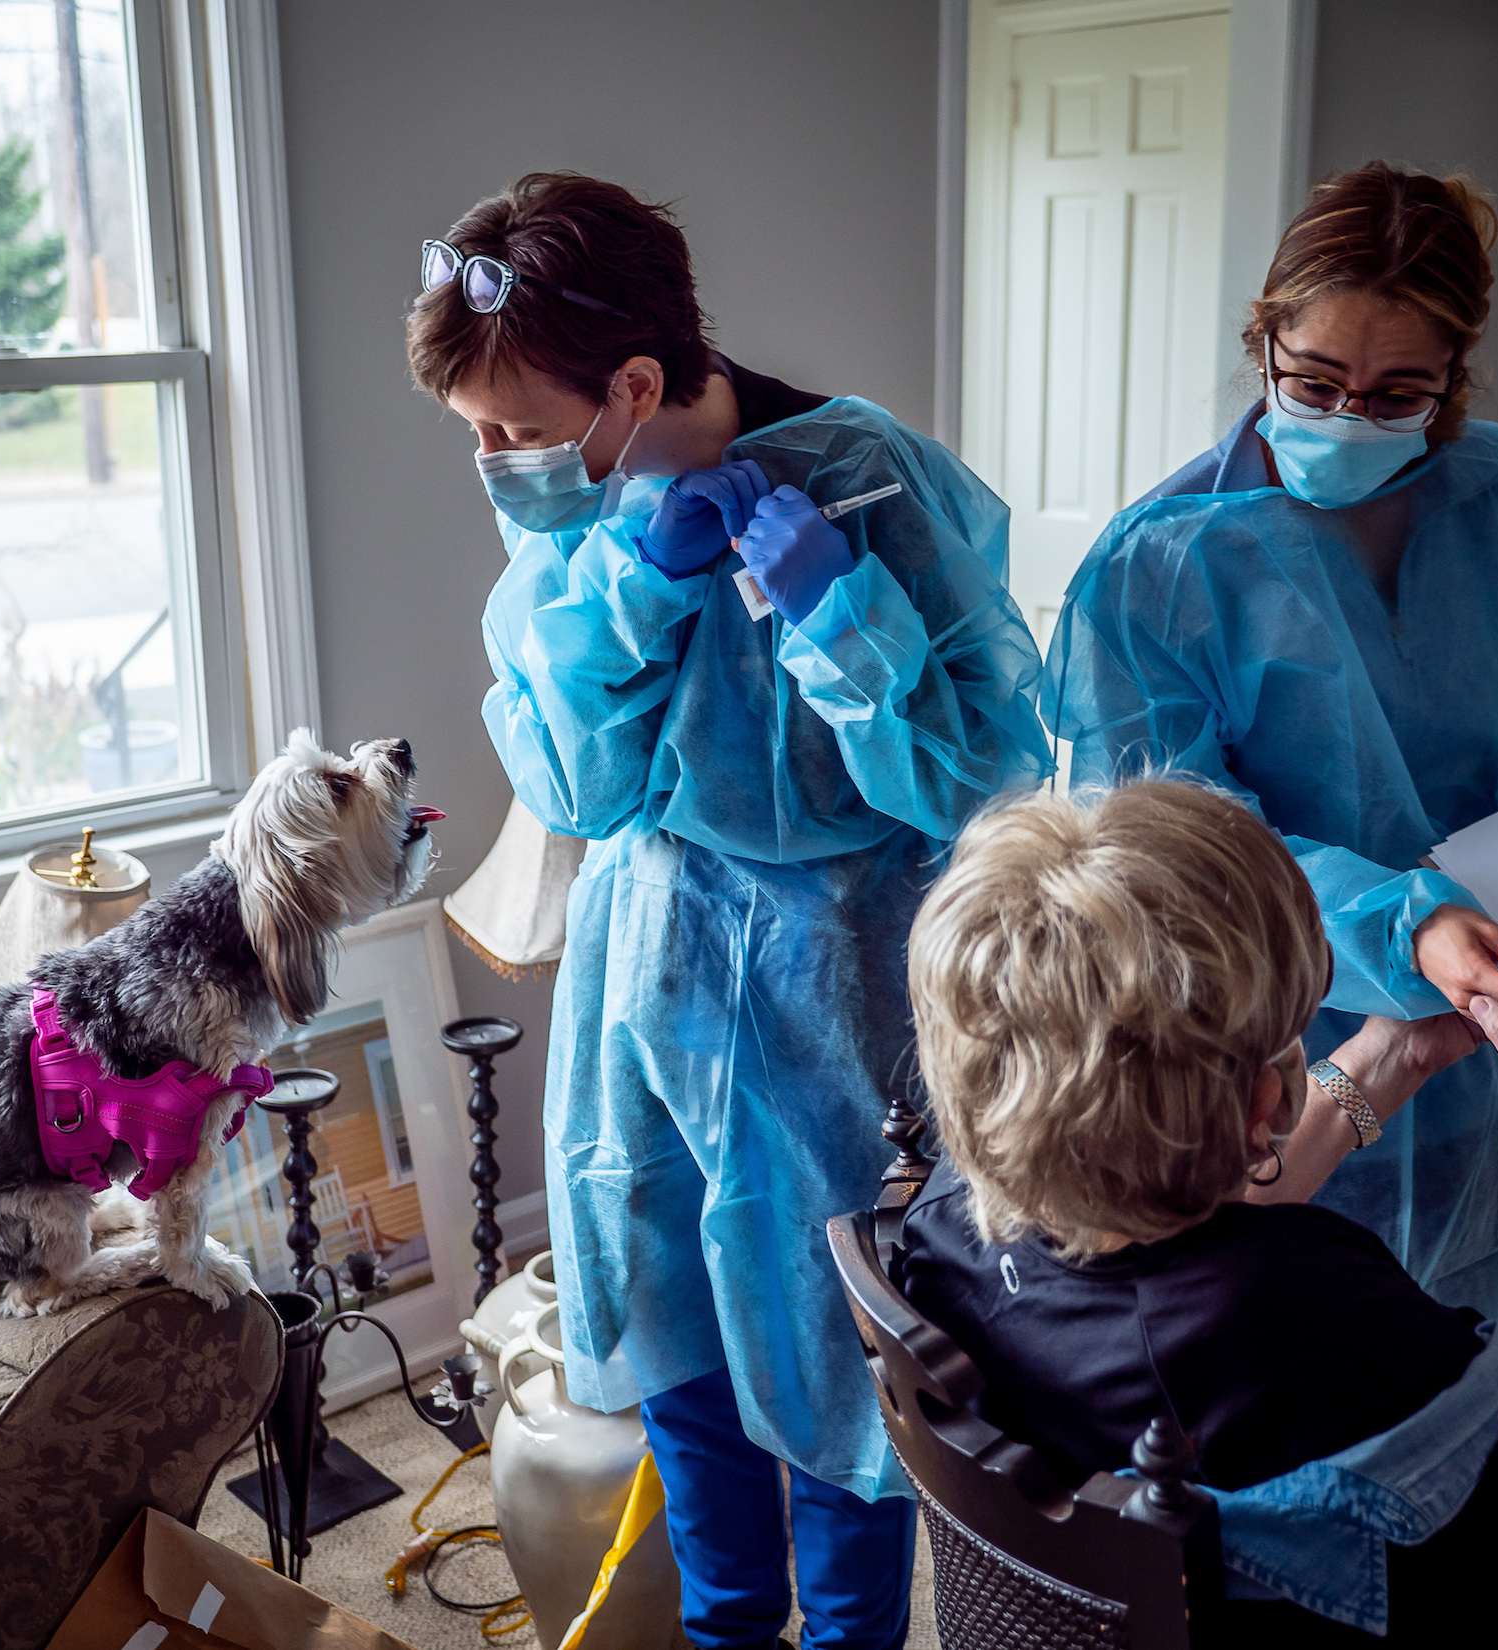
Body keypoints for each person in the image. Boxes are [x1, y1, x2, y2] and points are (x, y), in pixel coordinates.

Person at [405, 172, 1052, 1650]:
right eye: (476, 433)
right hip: (644, 977)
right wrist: (632, 590)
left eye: (510, 430)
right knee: (672, 1339)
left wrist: (840, 619)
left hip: (839, 993)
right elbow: (570, 780)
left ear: (634, 386)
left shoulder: (872, 480)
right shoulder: (583, 503)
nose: (494, 464)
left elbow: (985, 778)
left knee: (841, 1362)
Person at [898, 781, 1498, 1646]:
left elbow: (1169, 1249)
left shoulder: (945, 1219)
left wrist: (1388, 1059)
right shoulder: (1298, 1316)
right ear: (1267, 1102)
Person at [1040, 162, 1498, 1318]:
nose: (1349, 417)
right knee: (1282, 1325)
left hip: (1480, 998)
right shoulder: (1162, 562)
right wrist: (1397, 925)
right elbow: (1172, 845)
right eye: (1313, 381)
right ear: (1262, 340)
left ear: (1453, 380)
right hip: (1259, 1025)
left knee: (1469, 1310)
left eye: (1396, 393)